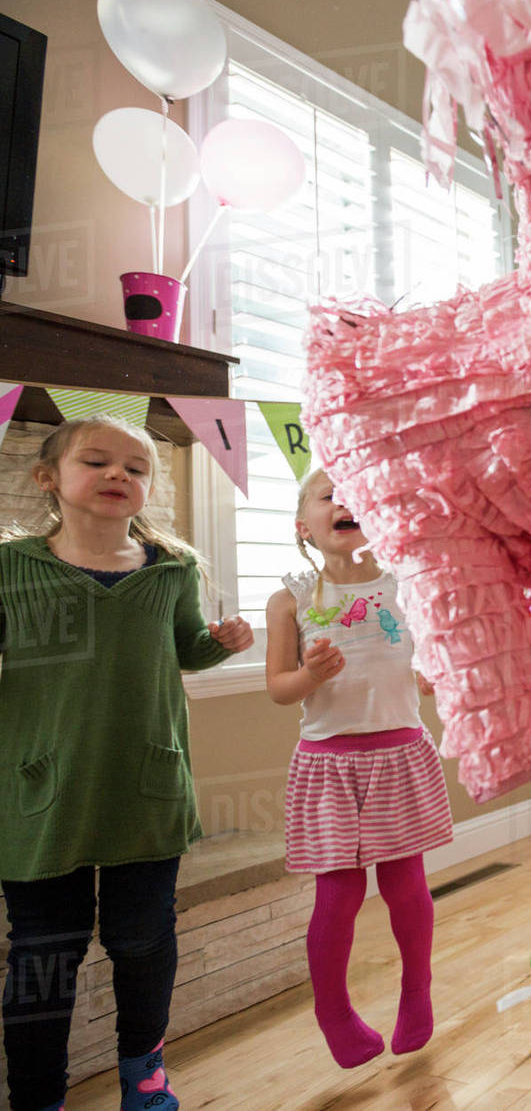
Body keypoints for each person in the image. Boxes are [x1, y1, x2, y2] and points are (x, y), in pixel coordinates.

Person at [0, 416, 253, 1111]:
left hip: (147, 786)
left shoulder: (170, 571)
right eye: (98, 461)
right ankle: (37, 1097)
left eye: (135, 468)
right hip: (39, 791)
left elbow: (185, 650)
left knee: (143, 941)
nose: (119, 475)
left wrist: (220, 643)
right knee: (44, 954)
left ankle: (144, 1075)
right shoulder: (10, 570)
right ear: (48, 477)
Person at [265, 469, 453, 1069]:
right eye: (328, 496)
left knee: (406, 887)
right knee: (338, 896)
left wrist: (430, 679)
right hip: (329, 763)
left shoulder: (407, 588)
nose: (344, 502)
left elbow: (424, 670)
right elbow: (279, 689)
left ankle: (416, 994)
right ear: (304, 527)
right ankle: (334, 1014)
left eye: (355, 493)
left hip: (400, 753)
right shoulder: (289, 598)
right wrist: (312, 674)